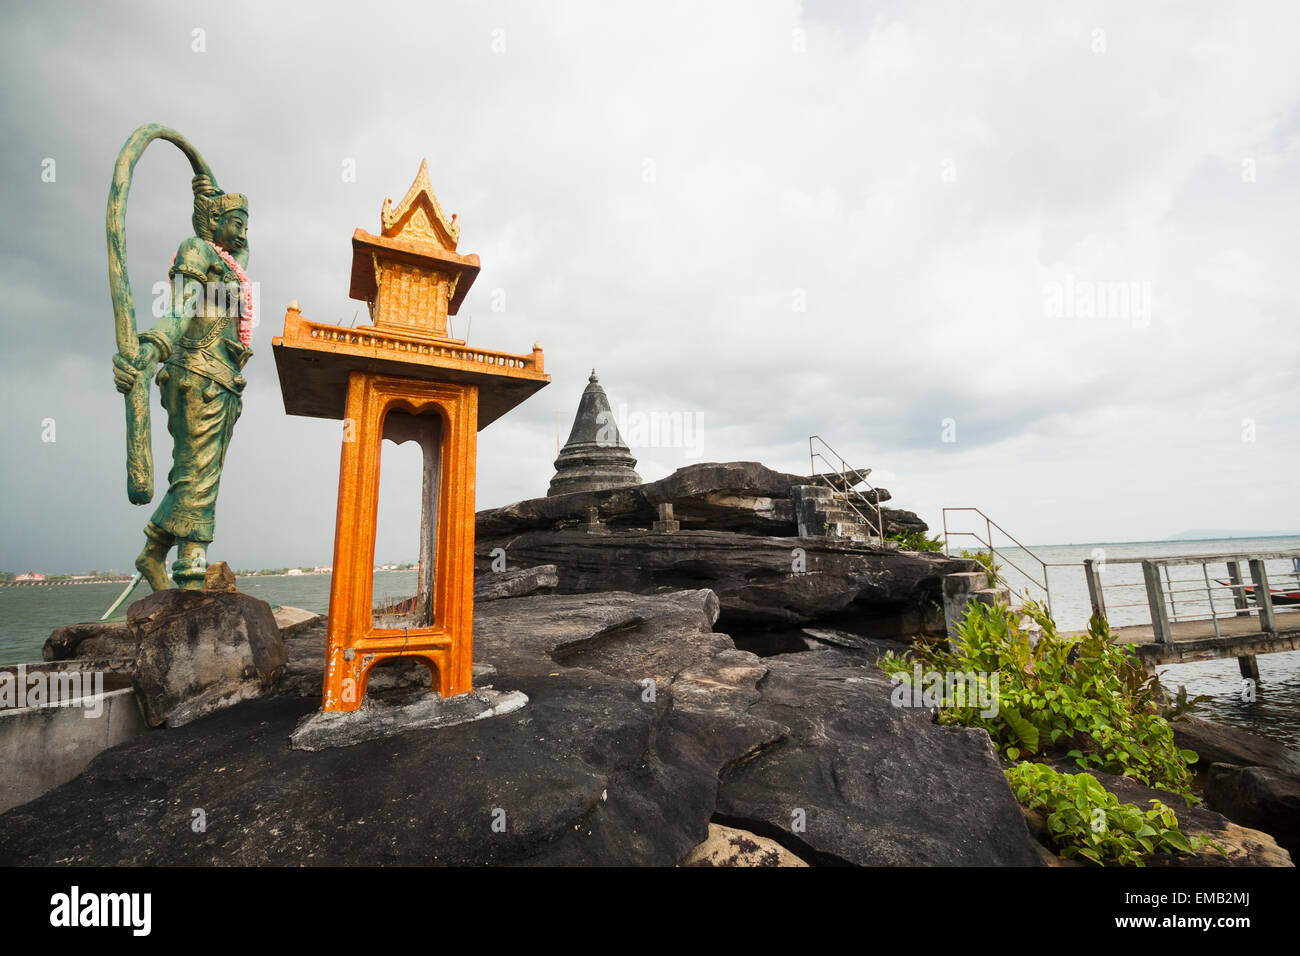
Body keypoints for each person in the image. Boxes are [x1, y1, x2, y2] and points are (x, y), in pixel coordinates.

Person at [112, 177, 252, 590]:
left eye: (247, 221)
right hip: (195, 376)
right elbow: (181, 307)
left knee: (198, 474)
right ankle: (191, 573)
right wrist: (150, 351)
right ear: (212, 221)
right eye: (237, 221)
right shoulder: (196, 250)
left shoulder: (231, 265)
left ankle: (153, 553)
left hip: (224, 381)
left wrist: (209, 188)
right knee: (196, 473)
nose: (244, 230)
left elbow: (243, 251)